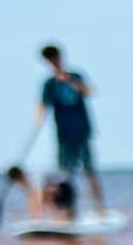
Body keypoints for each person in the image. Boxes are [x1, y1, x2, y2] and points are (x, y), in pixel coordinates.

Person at [34, 45, 105, 216]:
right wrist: (38, 119)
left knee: (90, 171)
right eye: (50, 59)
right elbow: (42, 104)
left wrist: (74, 82)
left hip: (82, 131)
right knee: (67, 175)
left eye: (55, 57)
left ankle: (100, 209)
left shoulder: (76, 76)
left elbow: (90, 91)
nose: (54, 61)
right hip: (63, 135)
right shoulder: (50, 84)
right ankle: (71, 213)